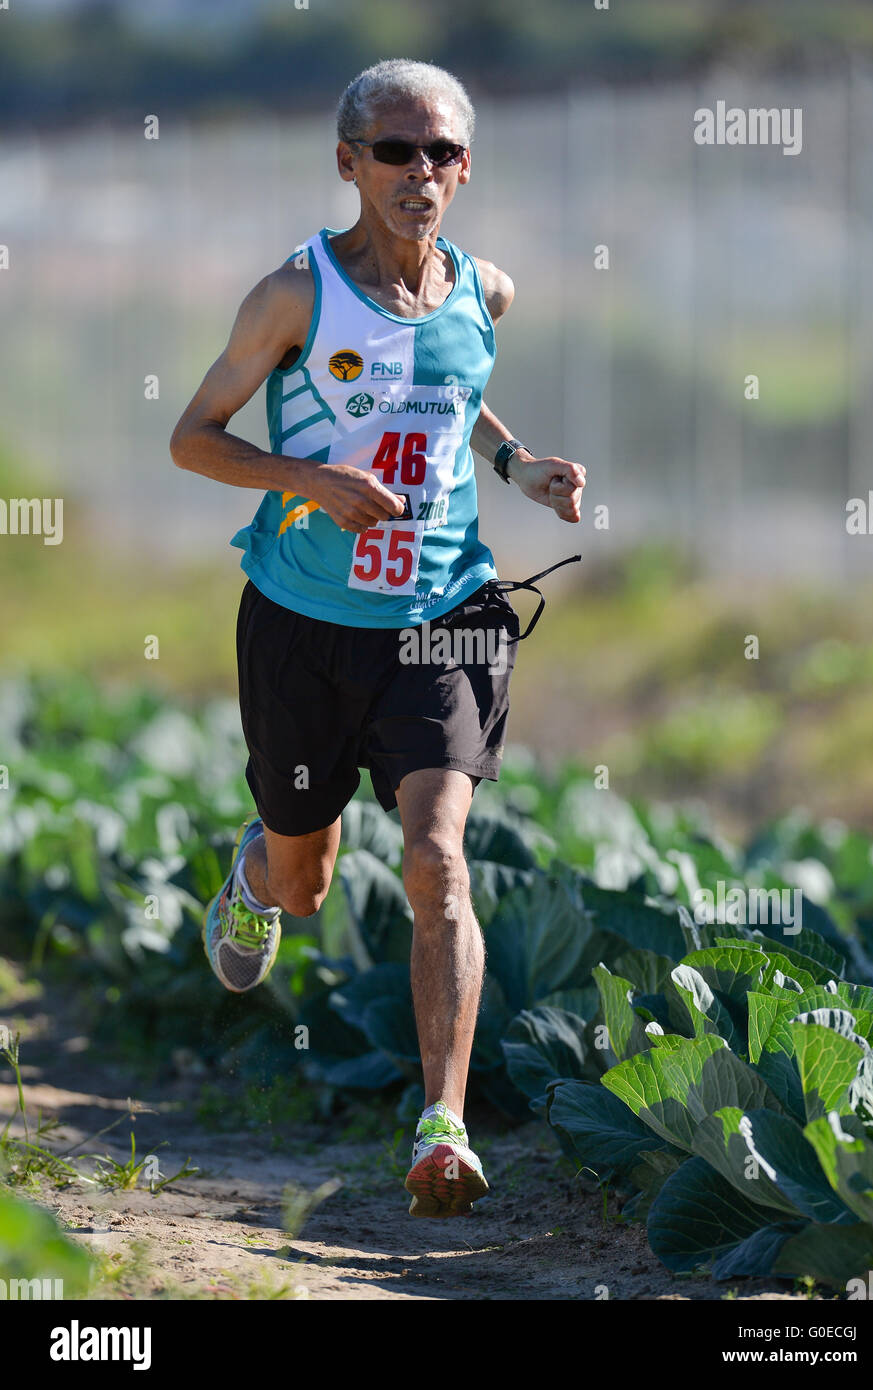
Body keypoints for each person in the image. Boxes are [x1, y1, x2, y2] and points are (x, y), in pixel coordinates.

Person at [170, 58, 586, 1218]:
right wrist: (308, 478)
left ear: (465, 167)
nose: (421, 172)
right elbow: (192, 438)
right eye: (395, 151)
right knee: (307, 885)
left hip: (443, 613)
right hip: (305, 622)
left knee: (436, 854)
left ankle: (442, 1125)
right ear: (347, 162)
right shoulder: (292, 294)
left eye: (442, 151)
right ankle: (258, 868)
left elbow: (456, 391)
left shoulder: (481, 288)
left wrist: (518, 466)